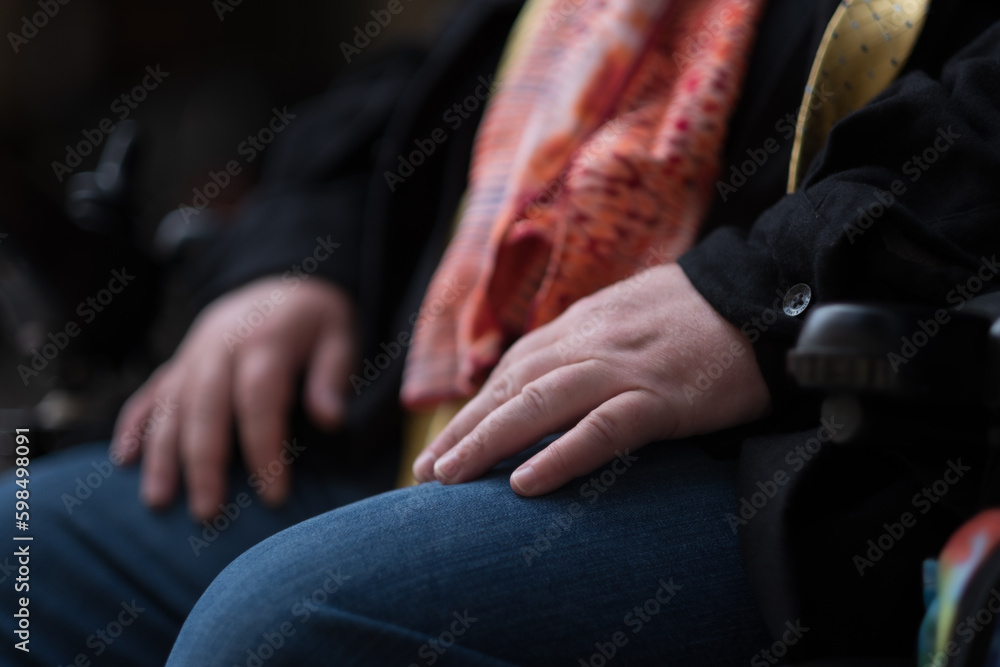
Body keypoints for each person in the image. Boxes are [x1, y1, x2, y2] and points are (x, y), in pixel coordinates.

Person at [5, 0, 1000, 664]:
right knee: (21, 554)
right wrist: (290, 263)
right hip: (417, 429)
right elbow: (421, 87)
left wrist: (767, 289)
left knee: (283, 625)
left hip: (808, 460)